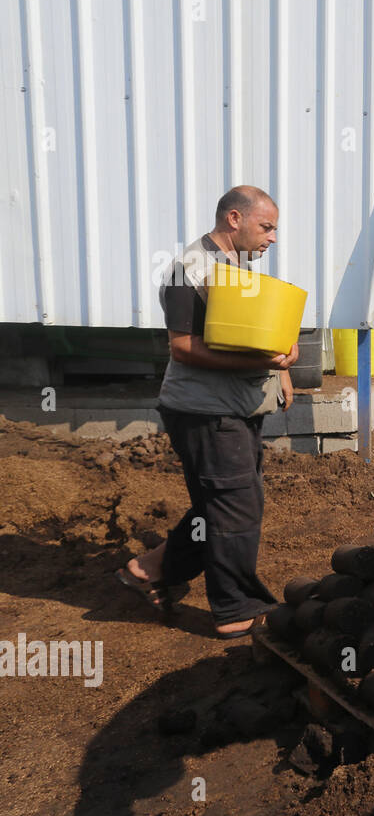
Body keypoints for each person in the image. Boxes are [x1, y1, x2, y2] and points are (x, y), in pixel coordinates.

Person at [117, 186, 297, 638]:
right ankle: (237, 609)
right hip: (204, 413)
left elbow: (251, 332)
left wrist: (281, 373)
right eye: (266, 227)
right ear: (234, 218)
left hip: (233, 407)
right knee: (237, 505)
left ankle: (147, 568)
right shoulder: (188, 270)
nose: (273, 238)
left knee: (215, 505)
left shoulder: (234, 266)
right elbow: (182, 348)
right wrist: (262, 365)